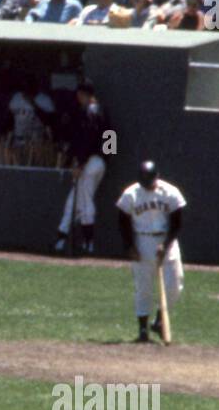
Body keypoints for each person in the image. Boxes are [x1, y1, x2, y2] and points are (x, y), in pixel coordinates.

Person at [115, 161, 186, 343]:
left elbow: (177, 223)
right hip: (142, 239)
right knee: (143, 287)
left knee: (175, 284)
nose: (148, 185)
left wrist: (166, 244)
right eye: (144, 181)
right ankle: (143, 330)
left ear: (157, 176)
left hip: (166, 240)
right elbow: (122, 222)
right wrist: (130, 246)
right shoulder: (131, 194)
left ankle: (160, 320)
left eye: (150, 181)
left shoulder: (170, 192)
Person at [53, 80, 110, 255]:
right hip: (99, 162)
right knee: (73, 200)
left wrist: (80, 163)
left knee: (85, 202)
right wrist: (108, 157)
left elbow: (86, 140)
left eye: (79, 95)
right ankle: (61, 239)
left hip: (89, 162)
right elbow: (111, 136)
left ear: (83, 95)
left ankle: (88, 243)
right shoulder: (103, 111)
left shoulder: (89, 112)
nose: (78, 98)